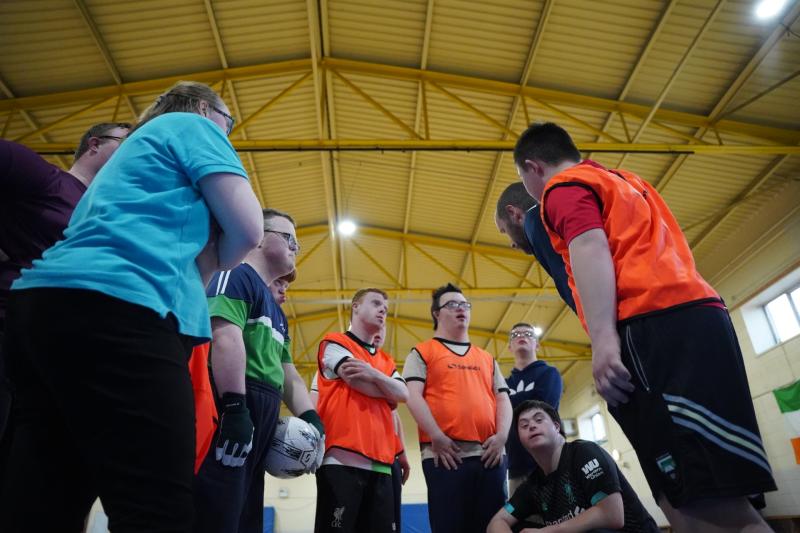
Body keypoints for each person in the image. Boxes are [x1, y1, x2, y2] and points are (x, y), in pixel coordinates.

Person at [0, 81, 264, 532]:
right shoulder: (189, 125)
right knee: (155, 507)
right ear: (205, 109)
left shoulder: (118, 171)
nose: (228, 135)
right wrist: (214, 259)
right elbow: (249, 228)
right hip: (124, 308)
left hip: (41, 308)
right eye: (229, 123)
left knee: (45, 498)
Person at [514, 122, 776, 531]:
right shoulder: (627, 182)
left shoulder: (562, 188)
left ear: (532, 168)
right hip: (697, 316)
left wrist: (603, 341)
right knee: (690, 499)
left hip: (657, 325)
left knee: (707, 506)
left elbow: (588, 243)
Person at [0, 122, 131, 477]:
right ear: (94, 144)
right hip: (11, 331)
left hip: (65, 358)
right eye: (127, 142)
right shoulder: (49, 182)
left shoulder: (111, 221)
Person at [194, 209, 323, 533]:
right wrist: (235, 407)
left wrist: (311, 419)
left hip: (264, 412)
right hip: (232, 406)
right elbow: (224, 335)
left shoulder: (277, 312)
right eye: (289, 237)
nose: (295, 247)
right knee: (216, 514)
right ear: (262, 237)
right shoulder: (234, 274)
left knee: (244, 516)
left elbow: (288, 373)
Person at [403, 283, 512, 533]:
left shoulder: (486, 358)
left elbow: (503, 399)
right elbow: (413, 396)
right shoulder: (422, 352)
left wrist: (502, 437)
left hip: (490, 454)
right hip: (445, 455)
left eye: (465, 305)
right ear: (436, 313)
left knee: (493, 527)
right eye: (452, 305)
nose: (460, 309)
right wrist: (437, 437)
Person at [315, 288, 409, 533]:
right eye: (376, 303)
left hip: (381, 464)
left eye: (386, 309)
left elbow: (404, 394)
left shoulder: (386, 361)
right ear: (355, 306)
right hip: (341, 460)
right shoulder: (334, 342)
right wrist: (388, 389)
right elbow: (356, 380)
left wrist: (374, 374)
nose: (383, 311)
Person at [487, 400, 660, 532]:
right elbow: (497, 522)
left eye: (538, 420)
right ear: (521, 440)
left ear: (556, 427)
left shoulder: (584, 453)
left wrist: (548, 531)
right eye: (524, 425)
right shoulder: (533, 486)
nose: (531, 425)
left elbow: (612, 515)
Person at [495, 181, 576, 312]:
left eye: (504, 231)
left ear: (514, 213)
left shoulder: (535, 221)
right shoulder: (559, 211)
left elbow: (572, 282)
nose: (512, 243)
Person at [505, 322, 563, 494]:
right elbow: (497, 414)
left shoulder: (549, 374)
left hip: (549, 464)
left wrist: (510, 403)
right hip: (516, 466)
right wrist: (526, 400)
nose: (521, 336)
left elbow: (542, 408)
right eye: (515, 335)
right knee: (522, 521)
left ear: (537, 345)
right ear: (509, 347)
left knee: (556, 519)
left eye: (528, 334)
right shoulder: (504, 384)